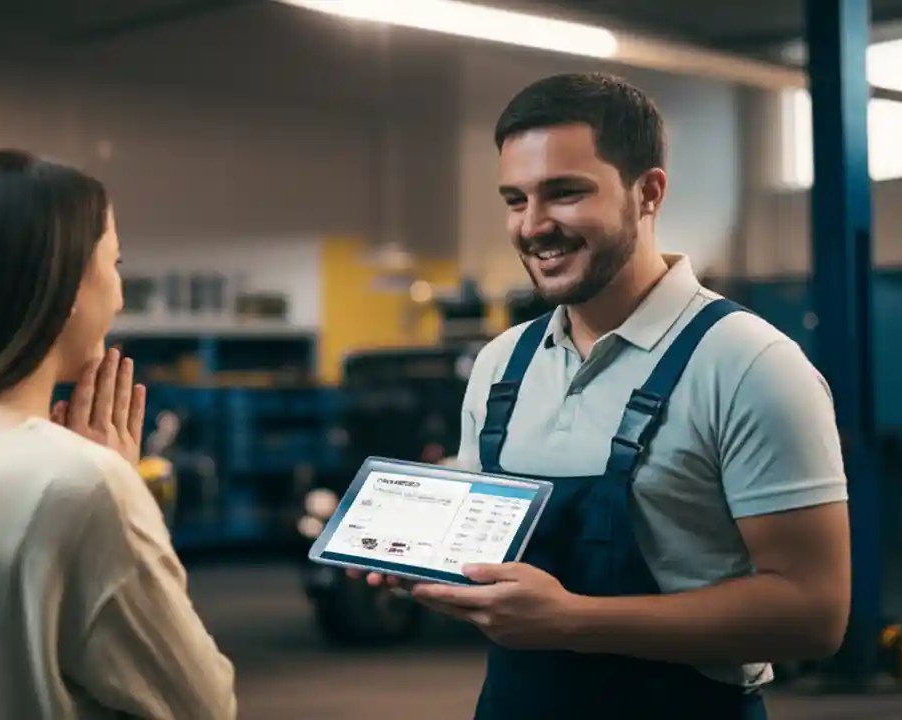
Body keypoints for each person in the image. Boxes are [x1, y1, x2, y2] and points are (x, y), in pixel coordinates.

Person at [362, 73, 851, 718]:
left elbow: (812, 614)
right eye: (515, 199)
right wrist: (417, 555)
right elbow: (490, 545)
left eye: (564, 194)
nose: (533, 226)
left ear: (648, 192)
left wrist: (572, 621)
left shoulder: (751, 366)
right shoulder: (499, 365)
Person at [0, 149, 236, 720]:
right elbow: (205, 705)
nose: (121, 297)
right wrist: (126, 495)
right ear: (69, 284)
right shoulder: (83, 485)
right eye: (115, 264)